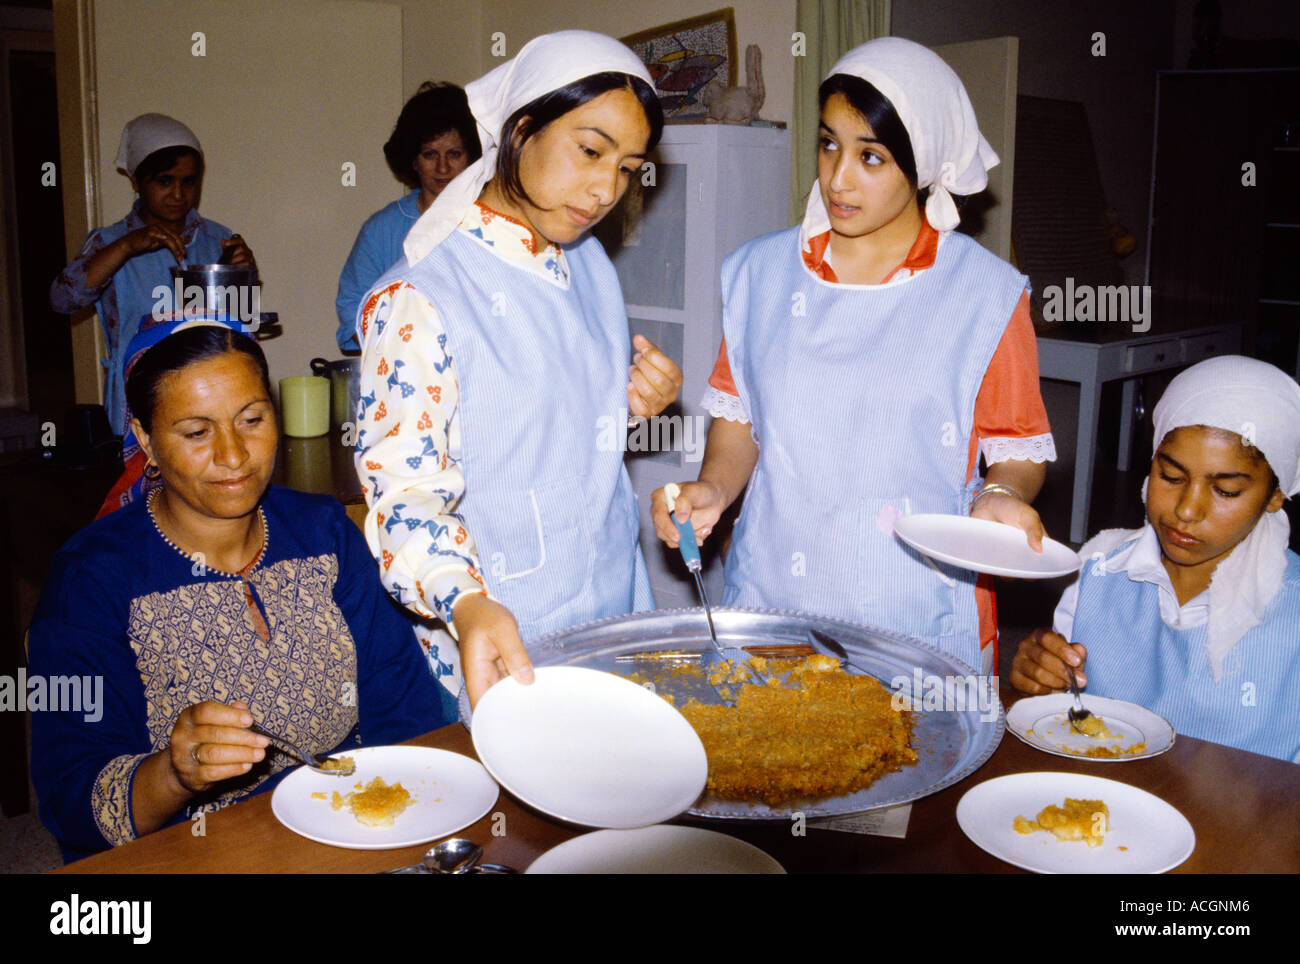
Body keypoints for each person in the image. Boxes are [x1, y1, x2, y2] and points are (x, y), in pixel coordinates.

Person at [651, 38, 1055, 673]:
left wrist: (1002, 492)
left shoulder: (984, 295)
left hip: (917, 605)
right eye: (829, 143)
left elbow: (1015, 446)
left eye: (871, 157)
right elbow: (741, 421)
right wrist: (713, 487)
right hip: (776, 596)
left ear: (922, 166)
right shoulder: (761, 274)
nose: (838, 178)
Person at [28, 319, 456, 862]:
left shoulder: (325, 533)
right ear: (145, 440)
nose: (233, 456)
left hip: (343, 830)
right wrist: (174, 774)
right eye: (196, 432)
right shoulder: (91, 579)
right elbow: (70, 797)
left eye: (252, 419)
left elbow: (405, 714)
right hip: (186, 856)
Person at [355, 31, 682, 707]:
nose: (603, 190)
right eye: (590, 150)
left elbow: (541, 427)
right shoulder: (420, 297)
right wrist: (467, 603)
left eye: (626, 167)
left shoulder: (585, 260)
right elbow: (404, 499)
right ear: (520, 129)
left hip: (611, 601)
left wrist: (636, 404)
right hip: (497, 634)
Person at [1011, 356, 1300, 763]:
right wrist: (1041, 683)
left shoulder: (1292, 612)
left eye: (1227, 491)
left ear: (1275, 495)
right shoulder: (1101, 569)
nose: (1186, 510)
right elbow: (1061, 723)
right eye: (1171, 476)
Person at [50, 113, 255, 433]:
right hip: (138, 402)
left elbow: (236, 328)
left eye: (188, 181)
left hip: (208, 399)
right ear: (136, 181)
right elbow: (63, 301)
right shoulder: (109, 242)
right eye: (164, 181)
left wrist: (244, 277)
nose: (178, 194)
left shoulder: (218, 239)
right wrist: (127, 246)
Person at [334, 83, 482, 352]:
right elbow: (353, 311)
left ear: (472, 157)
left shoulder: (493, 223)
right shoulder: (382, 231)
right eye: (429, 155)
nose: (443, 168)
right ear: (413, 160)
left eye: (454, 154)